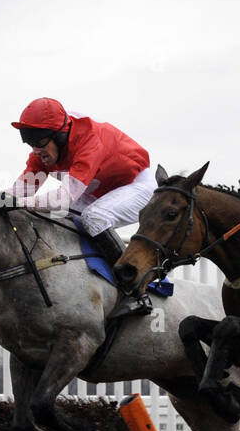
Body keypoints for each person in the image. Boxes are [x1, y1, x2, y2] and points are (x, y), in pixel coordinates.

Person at [10, 97, 156, 317]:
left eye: (39, 143)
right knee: (60, 218)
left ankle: (136, 289)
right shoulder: (46, 146)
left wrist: (21, 203)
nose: (36, 150)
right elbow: (22, 190)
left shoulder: (88, 140)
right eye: (30, 143)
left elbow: (63, 198)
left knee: (93, 218)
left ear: (59, 136)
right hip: (100, 190)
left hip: (137, 186)